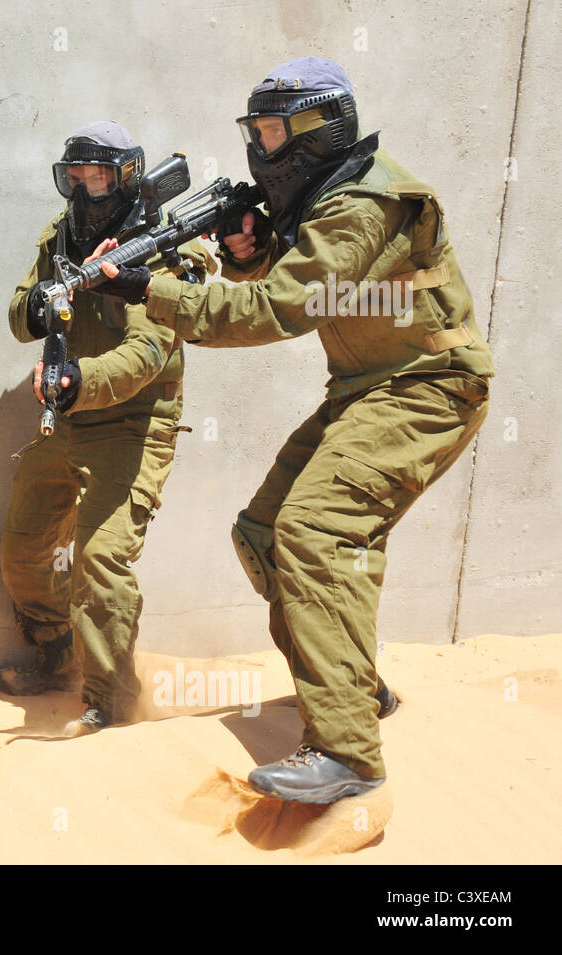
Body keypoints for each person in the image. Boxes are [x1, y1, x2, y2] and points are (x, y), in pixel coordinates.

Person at [98, 58, 494, 803]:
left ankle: (347, 752)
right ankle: (354, 685)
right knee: (264, 531)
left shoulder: (359, 205)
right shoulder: (330, 196)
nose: (262, 147)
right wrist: (252, 248)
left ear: (319, 130)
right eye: (257, 131)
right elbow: (299, 278)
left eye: (275, 131)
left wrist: (150, 289)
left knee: (314, 530)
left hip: (427, 389)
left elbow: (279, 310)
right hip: (370, 389)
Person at [0, 122, 214, 736]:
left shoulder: (166, 251)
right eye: (77, 177)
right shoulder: (59, 237)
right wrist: (45, 300)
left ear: (128, 178)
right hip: (68, 413)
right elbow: (19, 315)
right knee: (24, 551)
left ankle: (111, 704)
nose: (88, 189)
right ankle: (57, 656)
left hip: (134, 421)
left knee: (99, 561)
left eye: (101, 177)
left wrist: (76, 380)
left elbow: (147, 353)